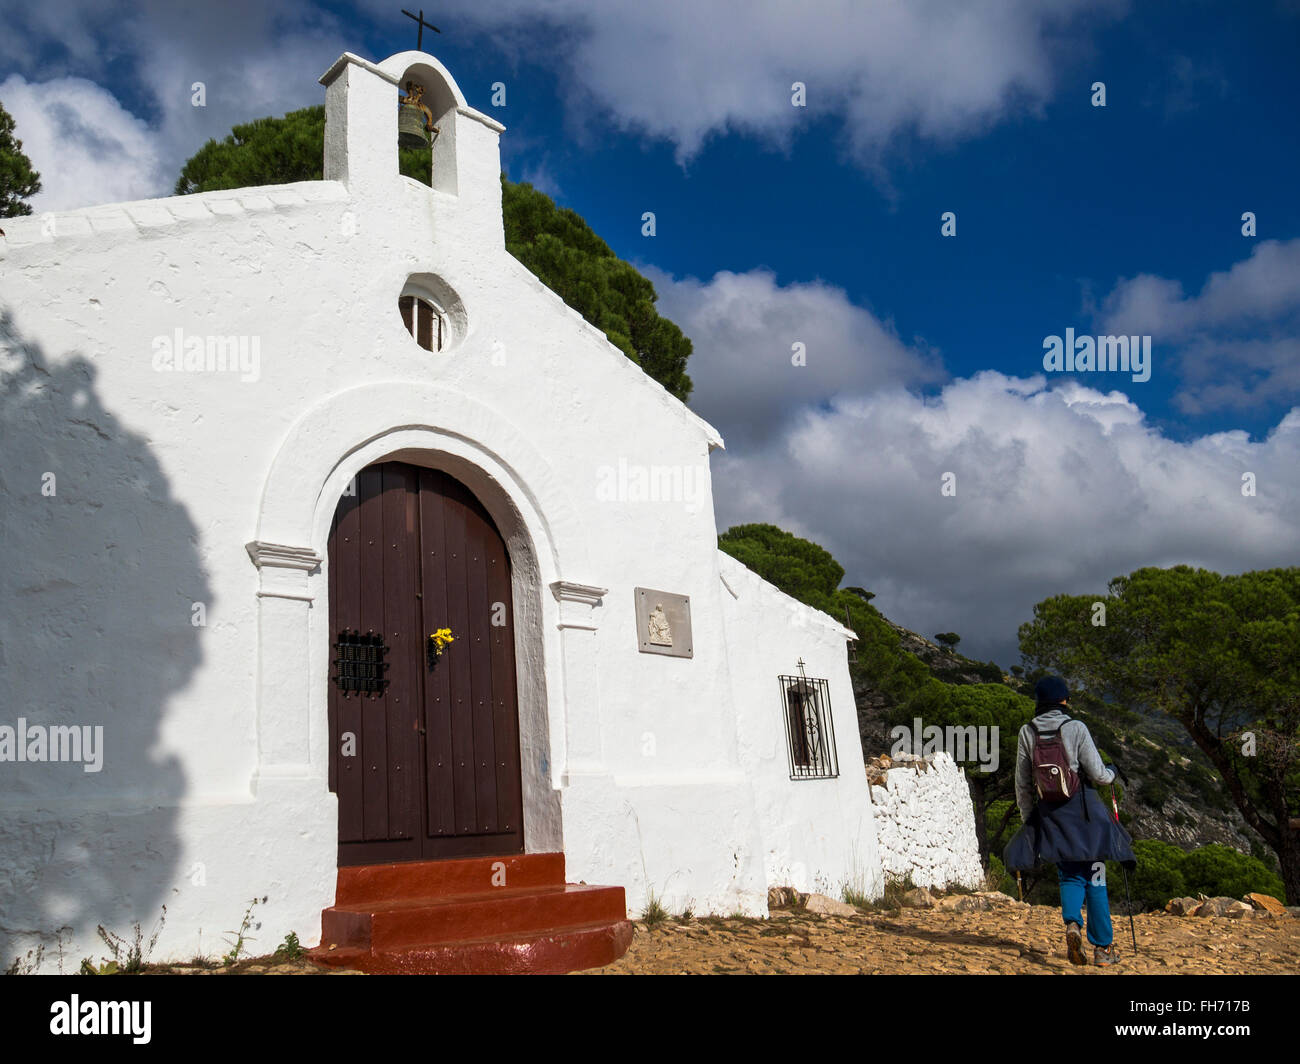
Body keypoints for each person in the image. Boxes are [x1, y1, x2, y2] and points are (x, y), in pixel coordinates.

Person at [1004, 675, 1135, 967]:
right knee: (1096, 877)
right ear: (1064, 700)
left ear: (1038, 701)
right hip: (1085, 813)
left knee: (1069, 874)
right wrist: (1114, 772)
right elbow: (1100, 775)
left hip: (1051, 815)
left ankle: (1072, 925)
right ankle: (1103, 950)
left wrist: (1031, 822)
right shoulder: (1075, 727)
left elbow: (1022, 784)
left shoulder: (1027, 732)